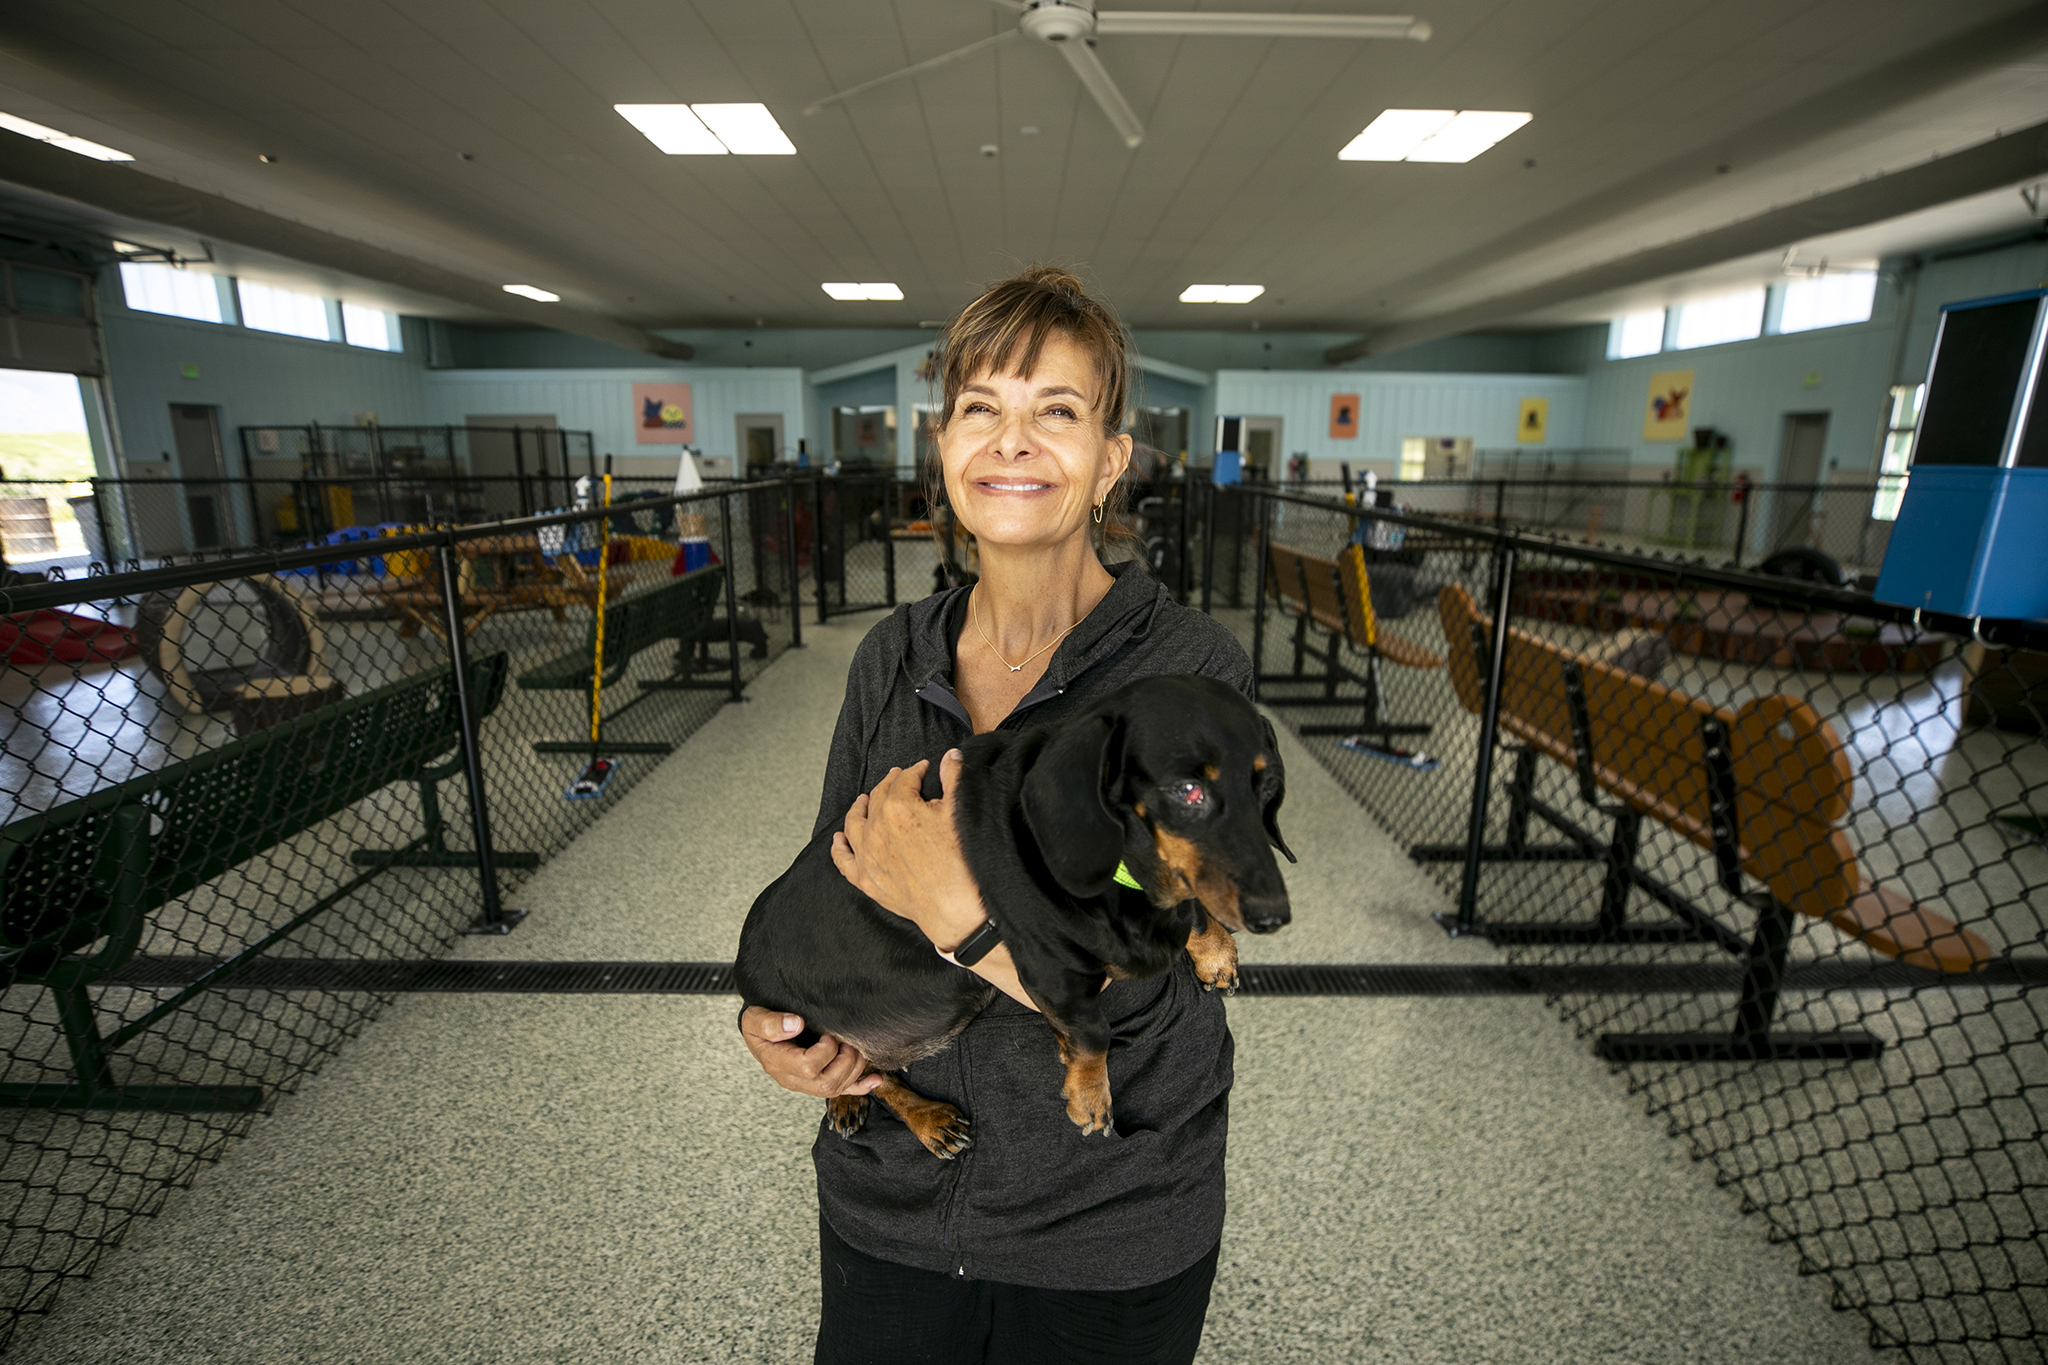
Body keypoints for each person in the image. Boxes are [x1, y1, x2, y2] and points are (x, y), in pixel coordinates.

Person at [738, 266, 1257, 1364]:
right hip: (892, 1207)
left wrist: (964, 922)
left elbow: (1164, 1005)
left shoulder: (1185, 674)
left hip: (1105, 1220)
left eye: (1055, 413)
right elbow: (829, 885)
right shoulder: (893, 657)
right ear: (943, 446)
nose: (1010, 444)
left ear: (1111, 457)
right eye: (981, 410)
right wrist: (774, 1027)